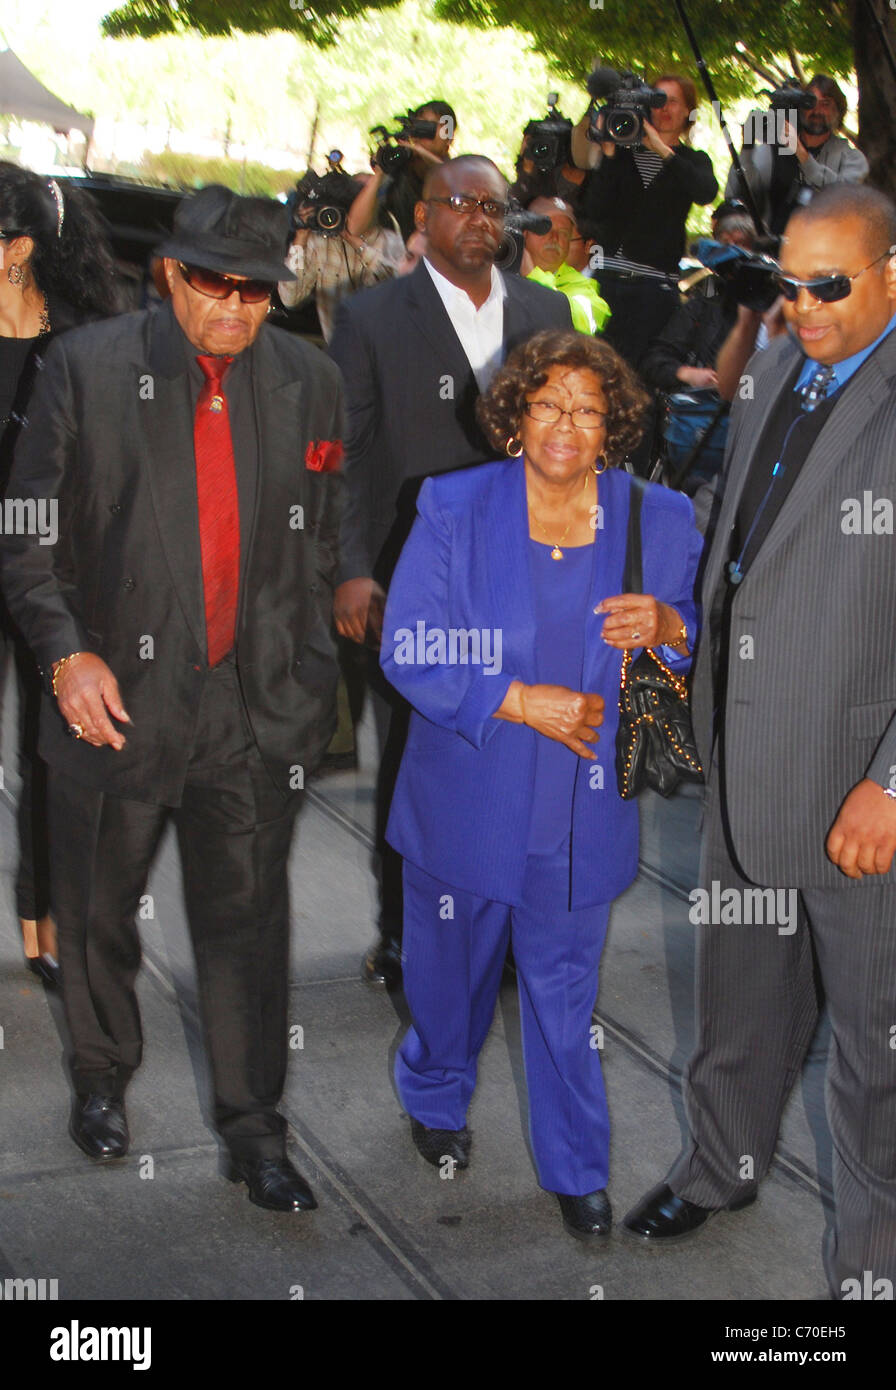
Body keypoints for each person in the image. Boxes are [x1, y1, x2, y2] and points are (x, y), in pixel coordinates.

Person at [1, 186, 344, 1214]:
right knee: (99, 911)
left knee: (245, 925)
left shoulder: (308, 380)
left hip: (252, 711)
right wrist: (65, 657)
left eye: (256, 291)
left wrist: (305, 664)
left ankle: (254, 1127)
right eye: (215, 285)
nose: (236, 308)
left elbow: (323, 536)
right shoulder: (84, 367)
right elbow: (24, 532)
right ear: (170, 273)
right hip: (114, 702)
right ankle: (102, 1076)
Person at [623, 184, 896, 1299]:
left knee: (874, 1050)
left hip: (856, 791)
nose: (802, 305)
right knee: (738, 996)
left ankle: (870, 1264)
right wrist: (690, 631)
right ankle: (717, 1164)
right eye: (786, 282)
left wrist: (890, 783)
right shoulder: (777, 364)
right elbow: (740, 542)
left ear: (889, 277)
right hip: (742, 759)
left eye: (827, 285)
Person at [379, 327, 702, 1238]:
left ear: (614, 427)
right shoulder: (453, 505)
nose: (567, 424)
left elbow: (703, 642)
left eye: (589, 410)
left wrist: (671, 623)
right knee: (449, 984)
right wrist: (517, 700)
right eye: (548, 402)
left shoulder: (660, 519)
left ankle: (576, 1165)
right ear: (515, 414)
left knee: (565, 1000)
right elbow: (410, 644)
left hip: (581, 811)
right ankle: (438, 1098)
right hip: (465, 798)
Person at [329, 154, 572, 989]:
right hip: (412, 573)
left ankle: (502, 924)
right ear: (424, 218)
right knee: (415, 754)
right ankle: (405, 930)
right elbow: (348, 451)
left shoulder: (548, 308)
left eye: (493, 206)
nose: (478, 218)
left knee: (512, 743)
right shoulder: (369, 317)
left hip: (527, 571)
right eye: (459, 204)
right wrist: (352, 567)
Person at [0, 162, 123, 988]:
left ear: (18, 248)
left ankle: (43, 921)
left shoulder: (81, 333)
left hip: (49, 567)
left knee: (52, 752)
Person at [575, 72, 718, 368]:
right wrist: (610, 155)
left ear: (687, 111)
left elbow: (706, 192)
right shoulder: (624, 156)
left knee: (641, 382)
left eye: (672, 102)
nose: (664, 109)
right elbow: (595, 209)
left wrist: (661, 149)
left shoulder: (693, 161)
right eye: (658, 101)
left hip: (654, 290)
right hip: (607, 282)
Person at [725, 75, 868, 240]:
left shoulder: (852, 158)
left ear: (839, 110)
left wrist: (802, 154)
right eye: (810, 103)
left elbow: (842, 196)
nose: (817, 111)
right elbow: (736, 193)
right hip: (769, 255)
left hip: (823, 255)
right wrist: (747, 148)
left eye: (826, 104)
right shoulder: (771, 151)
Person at [278, 170, 404, 342]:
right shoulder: (320, 244)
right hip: (342, 355)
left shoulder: (391, 242)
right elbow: (290, 298)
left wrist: (357, 243)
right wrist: (301, 237)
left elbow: (396, 288)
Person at [522, 195, 610, 334]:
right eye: (545, 229)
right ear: (525, 234)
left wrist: (534, 277)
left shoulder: (582, 285)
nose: (554, 238)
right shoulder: (498, 266)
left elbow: (581, 325)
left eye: (563, 233)